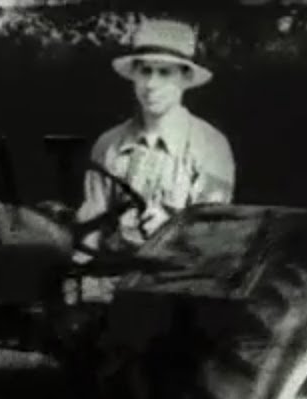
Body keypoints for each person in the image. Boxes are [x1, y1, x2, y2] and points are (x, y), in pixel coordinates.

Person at [76, 18, 236, 248]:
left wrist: (172, 228)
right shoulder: (109, 144)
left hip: (179, 268)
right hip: (113, 267)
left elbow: (213, 235)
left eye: (164, 72)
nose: (151, 84)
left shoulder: (211, 146)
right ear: (134, 75)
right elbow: (90, 229)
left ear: (184, 78)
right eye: (145, 71)